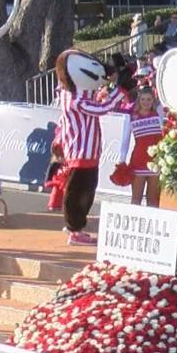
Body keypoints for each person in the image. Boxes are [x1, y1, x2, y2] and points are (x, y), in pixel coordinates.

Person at [53, 50, 123, 245]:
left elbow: (97, 101)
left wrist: (111, 83)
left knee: (85, 190)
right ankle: (74, 229)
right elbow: (101, 109)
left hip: (87, 152)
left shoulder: (76, 94)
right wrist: (120, 90)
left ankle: (76, 226)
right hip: (81, 152)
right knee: (79, 192)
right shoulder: (75, 99)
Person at [118, 86, 163, 207]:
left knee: (153, 200)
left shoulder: (159, 116)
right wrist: (121, 160)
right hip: (138, 160)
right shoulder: (131, 117)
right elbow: (125, 141)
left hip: (156, 161)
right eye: (143, 99)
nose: (146, 102)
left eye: (149, 99)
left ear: (153, 100)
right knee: (136, 199)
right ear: (139, 100)